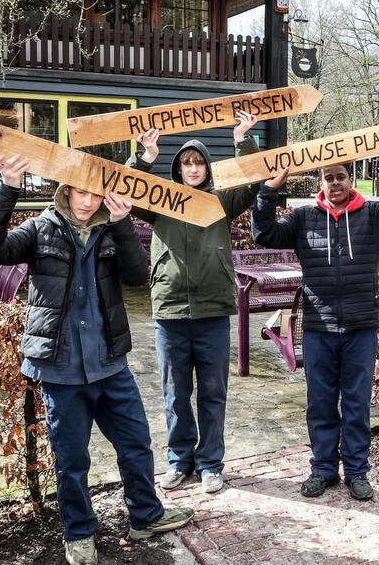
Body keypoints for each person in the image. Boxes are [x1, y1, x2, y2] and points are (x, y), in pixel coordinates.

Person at [0, 155, 193, 565]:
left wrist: (125, 222)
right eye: (80, 191)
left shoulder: (110, 231)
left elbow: (136, 276)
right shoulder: (40, 229)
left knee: (135, 444)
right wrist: (7, 186)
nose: (87, 201)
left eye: (95, 193)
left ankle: (145, 515)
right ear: (65, 190)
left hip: (110, 363)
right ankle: (78, 533)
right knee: (72, 460)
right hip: (61, 368)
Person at [251, 152, 379, 501]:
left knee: (357, 404)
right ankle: (323, 469)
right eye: (329, 177)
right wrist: (268, 190)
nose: (336, 183)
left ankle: (357, 472)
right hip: (318, 327)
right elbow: (263, 233)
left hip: (361, 325)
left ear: (351, 178)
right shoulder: (303, 218)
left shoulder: (373, 215)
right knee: (321, 403)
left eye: (341, 176)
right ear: (321, 183)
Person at [125, 111, 259, 495]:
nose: (194, 168)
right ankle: (179, 462)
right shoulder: (160, 201)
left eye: (199, 162)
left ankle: (211, 464)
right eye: (187, 163)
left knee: (213, 392)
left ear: (206, 167)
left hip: (214, 310)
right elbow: (130, 190)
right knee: (174, 392)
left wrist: (243, 138)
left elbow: (250, 183)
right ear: (178, 169)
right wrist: (144, 156)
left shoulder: (221, 201)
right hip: (169, 310)